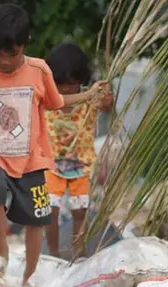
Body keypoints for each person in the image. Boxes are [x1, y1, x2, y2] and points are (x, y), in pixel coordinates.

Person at [0, 3, 107, 286]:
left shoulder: (39, 71)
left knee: (38, 219)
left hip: (32, 160)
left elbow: (57, 102)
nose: (3, 61)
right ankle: (1, 252)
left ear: (25, 44)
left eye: (11, 54)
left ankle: (29, 277)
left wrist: (88, 96)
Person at [44, 42, 113, 258]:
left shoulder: (90, 100)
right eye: (60, 84)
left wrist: (108, 99)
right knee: (50, 211)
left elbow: (107, 106)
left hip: (81, 166)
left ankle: (79, 254)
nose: (65, 89)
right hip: (51, 166)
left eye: (71, 84)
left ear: (81, 81)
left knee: (80, 212)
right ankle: (53, 255)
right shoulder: (46, 100)